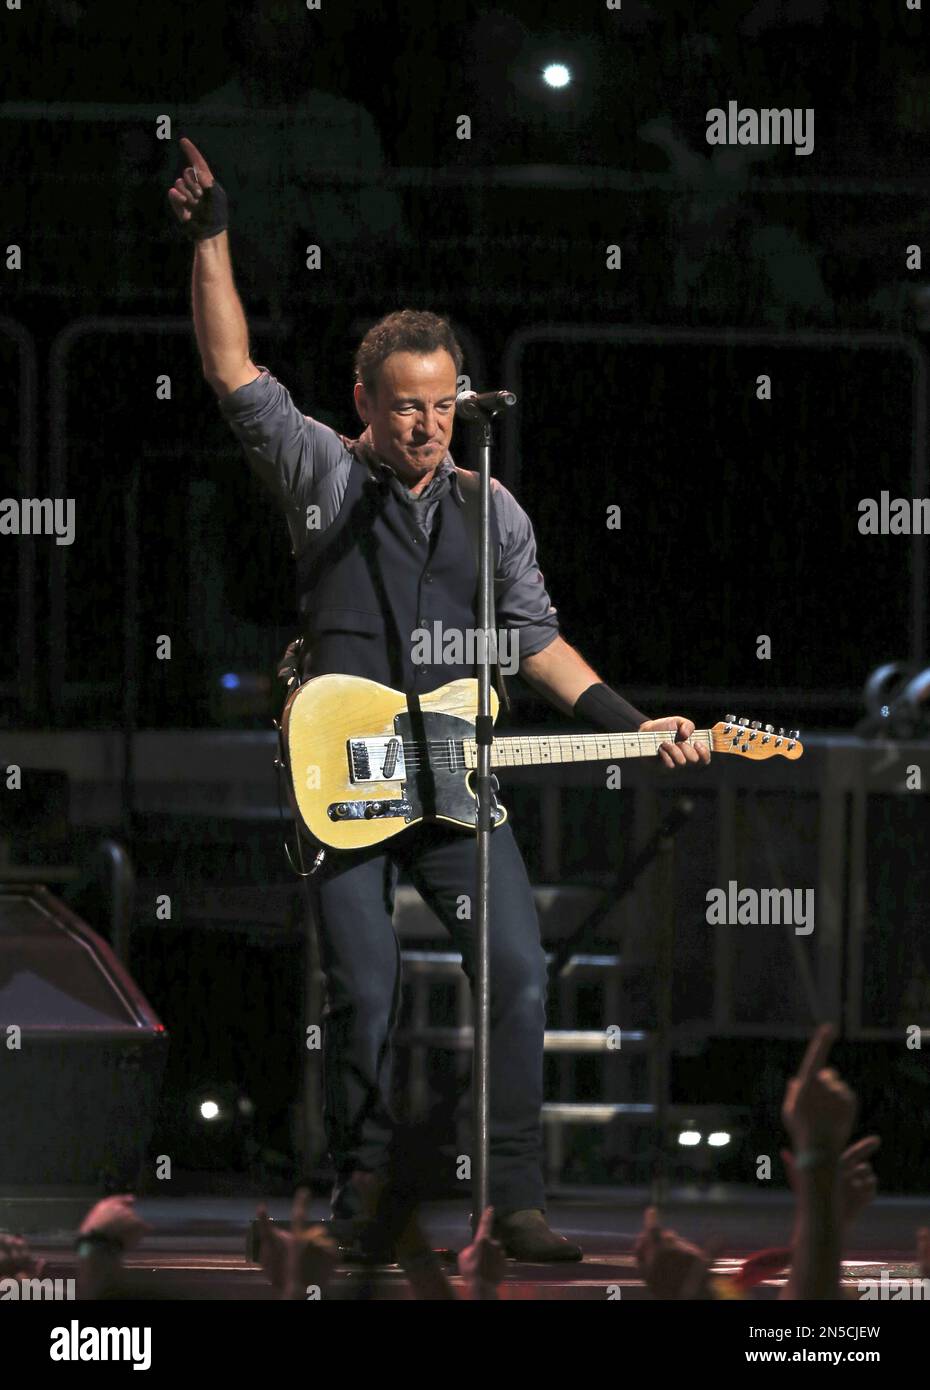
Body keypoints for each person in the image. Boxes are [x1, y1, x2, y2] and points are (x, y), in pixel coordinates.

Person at [168, 137, 711, 1263]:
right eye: (406, 406)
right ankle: (367, 1190)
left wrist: (631, 724)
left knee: (517, 971)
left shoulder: (491, 505)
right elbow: (229, 368)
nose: (428, 424)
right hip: (346, 776)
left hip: (458, 777)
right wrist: (213, 234)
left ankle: (512, 1196)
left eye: (443, 405)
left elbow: (538, 642)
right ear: (364, 401)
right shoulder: (321, 470)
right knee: (364, 997)